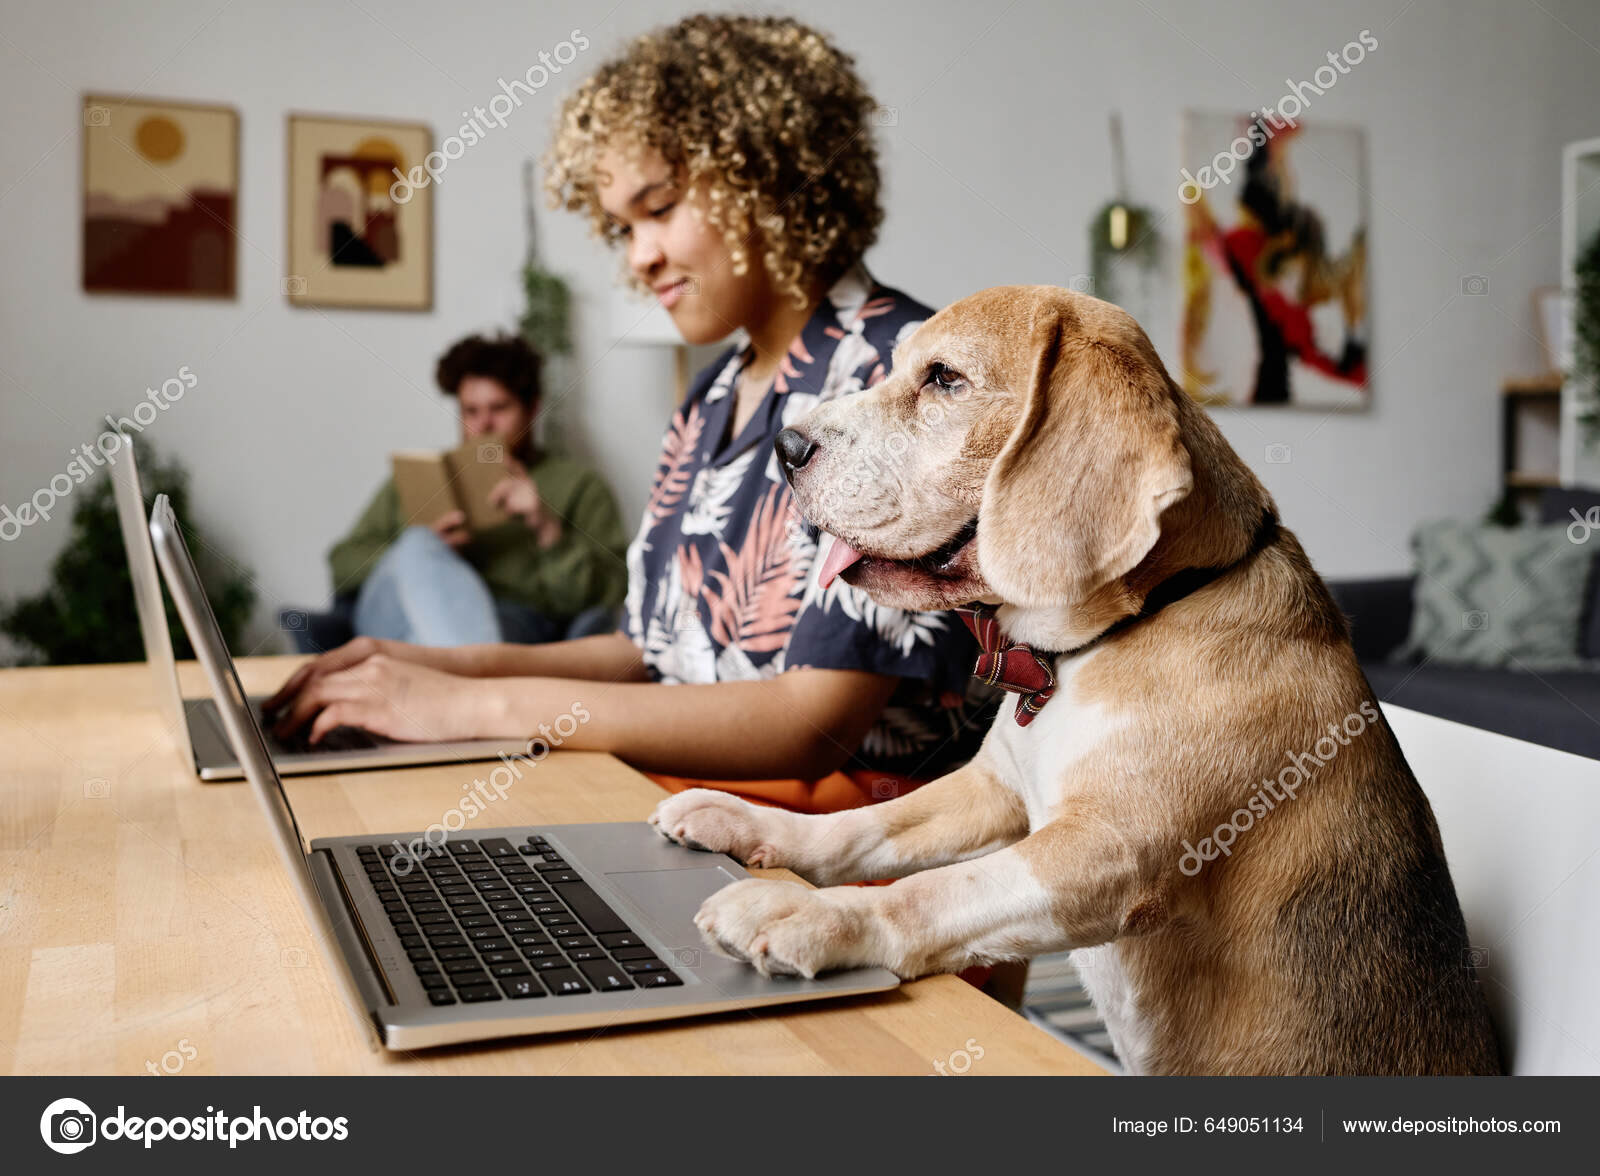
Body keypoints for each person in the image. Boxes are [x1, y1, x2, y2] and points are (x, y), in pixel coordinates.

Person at [268, 13, 992, 811]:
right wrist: (426, 667)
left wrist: (466, 708)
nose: (638, 256)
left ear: (769, 173)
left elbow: (806, 725)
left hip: (824, 844)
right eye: (622, 227)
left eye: (661, 207)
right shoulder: (713, 393)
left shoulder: (899, 371)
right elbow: (652, 654)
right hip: (677, 797)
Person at [327, 333, 628, 646]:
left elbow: (611, 593)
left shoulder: (578, 485)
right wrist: (426, 553)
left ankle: (440, 670)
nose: (483, 425)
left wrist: (547, 529)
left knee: (422, 643)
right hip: (396, 615)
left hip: (508, 623)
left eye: (498, 409)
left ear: (531, 409)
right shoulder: (420, 476)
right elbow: (342, 564)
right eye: (470, 411)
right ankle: (464, 672)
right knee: (418, 542)